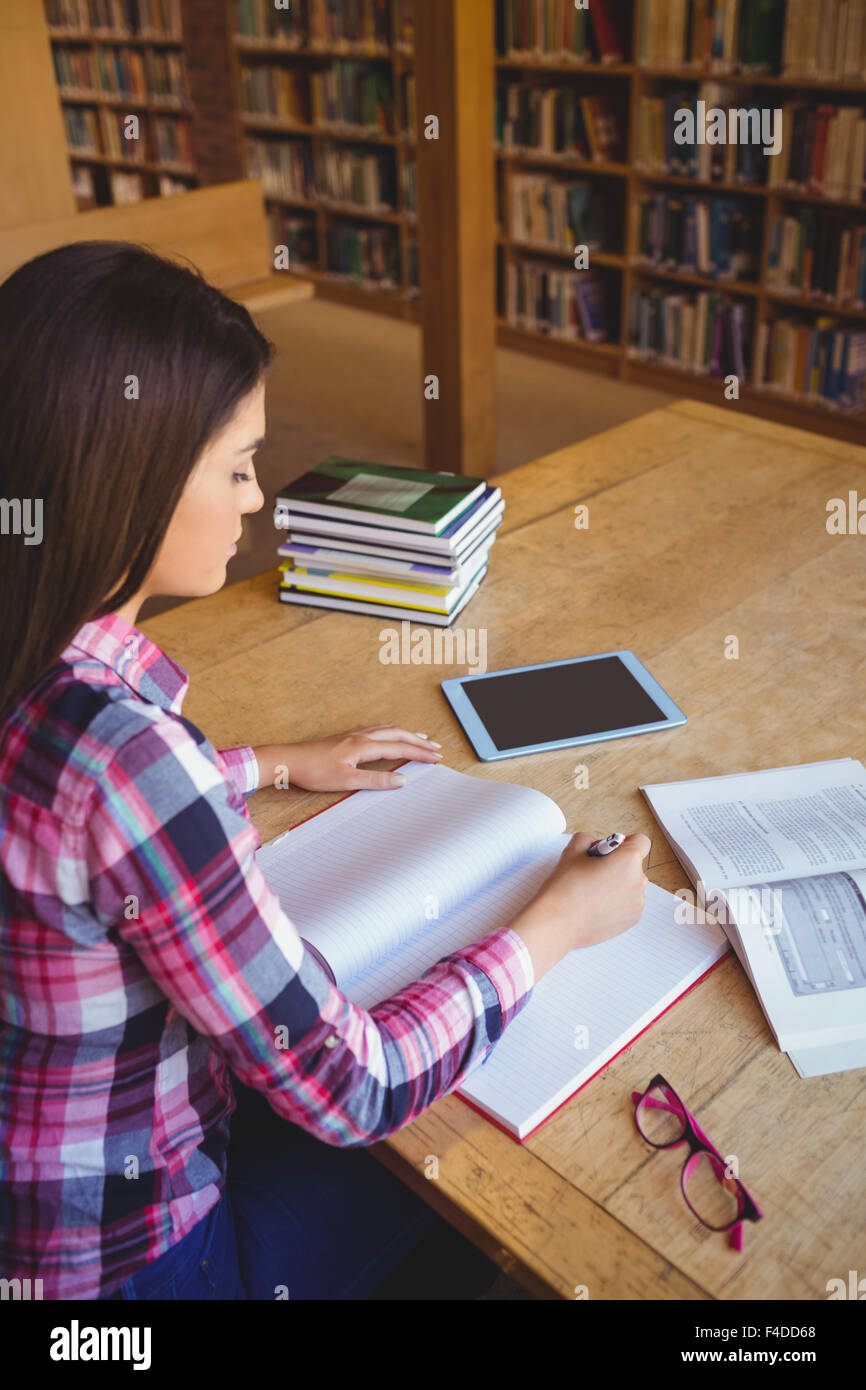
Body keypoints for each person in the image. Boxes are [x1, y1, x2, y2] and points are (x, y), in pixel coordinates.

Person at [0, 241, 650, 1300]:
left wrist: (264, 763)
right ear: (132, 475)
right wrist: (555, 926)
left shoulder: (45, 676)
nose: (256, 501)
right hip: (136, 1275)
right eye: (238, 465)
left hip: (34, 1209)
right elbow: (359, 1085)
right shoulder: (133, 765)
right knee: (462, 1157)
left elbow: (58, 800)